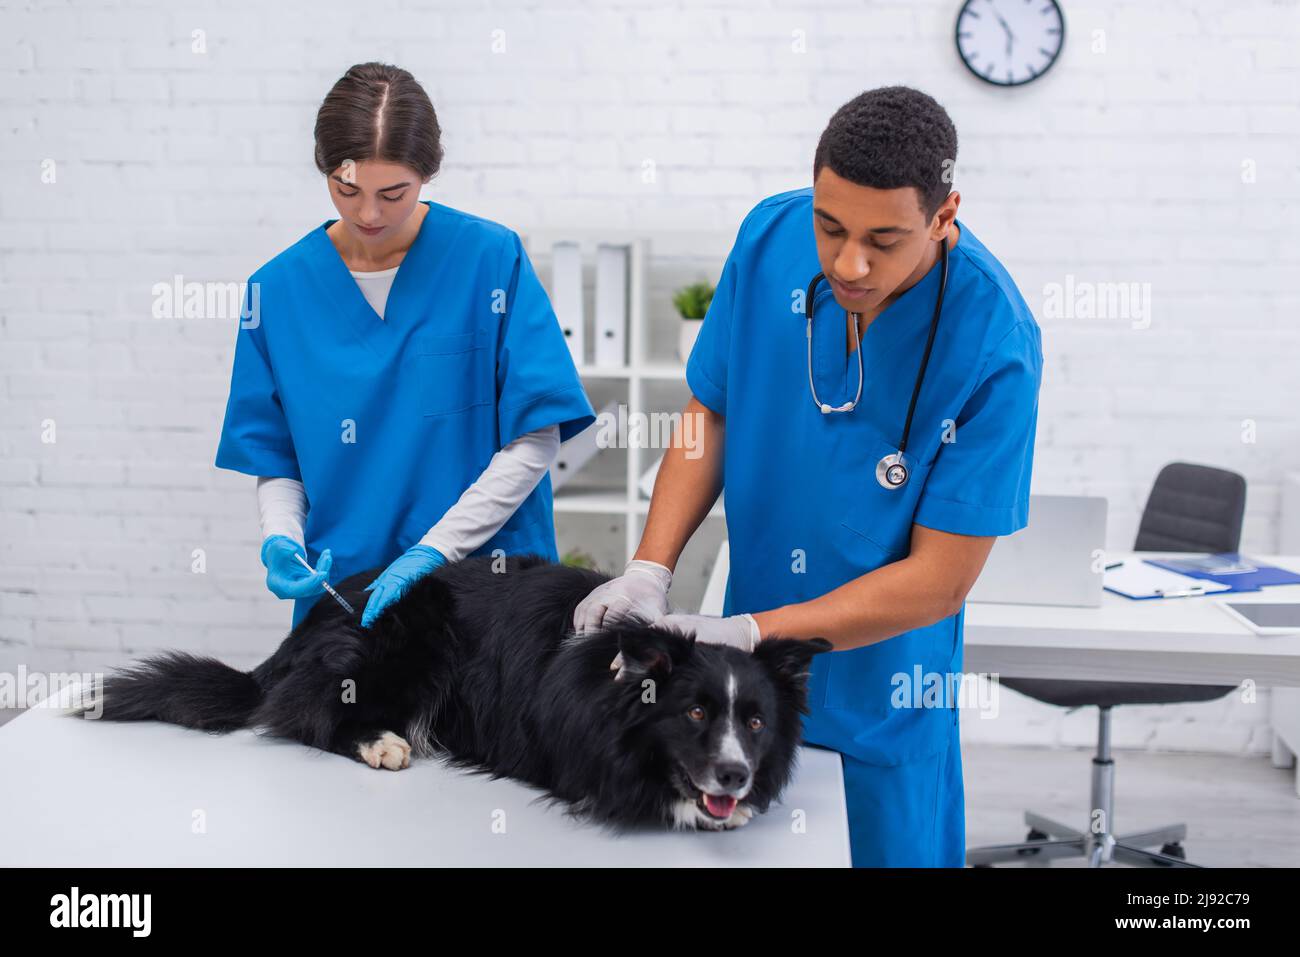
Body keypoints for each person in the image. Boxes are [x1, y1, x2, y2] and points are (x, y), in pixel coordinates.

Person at [573, 86, 1043, 867]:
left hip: (883, 695)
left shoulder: (995, 342)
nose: (848, 262)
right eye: (831, 228)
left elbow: (938, 581)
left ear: (945, 213)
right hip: (741, 693)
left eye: (884, 240)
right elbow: (710, 414)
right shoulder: (769, 239)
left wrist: (758, 631)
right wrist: (650, 568)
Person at [215, 62, 595, 630]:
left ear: (426, 175)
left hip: (491, 589)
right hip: (348, 594)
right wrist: (281, 537)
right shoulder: (277, 290)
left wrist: (434, 550)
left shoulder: (490, 260)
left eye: (394, 193)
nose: (369, 214)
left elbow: (536, 435)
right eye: (347, 190)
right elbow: (276, 457)